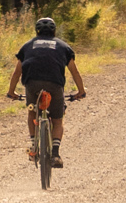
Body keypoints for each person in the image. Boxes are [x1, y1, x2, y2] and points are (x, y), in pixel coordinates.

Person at [7, 17, 86, 168]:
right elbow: (75, 72)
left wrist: (11, 92)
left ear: (37, 31)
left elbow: (17, 72)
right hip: (54, 84)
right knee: (57, 119)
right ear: (54, 31)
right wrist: (81, 91)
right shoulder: (63, 46)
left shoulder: (28, 46)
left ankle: (34, 145)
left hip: (32, 84)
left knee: (32, 113)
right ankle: (55, 154)